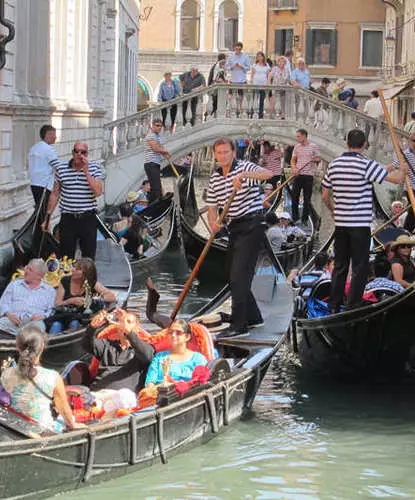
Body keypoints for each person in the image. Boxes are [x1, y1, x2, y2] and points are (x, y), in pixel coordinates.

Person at [321, 129, 408, 313]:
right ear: (364, 145)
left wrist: (333, 211)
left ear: (347, 143)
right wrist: (404, 168)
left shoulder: (334, 165)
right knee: (360, 267)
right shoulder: (366, 164)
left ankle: (333, 306)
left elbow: (325, 195)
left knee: (340, 266)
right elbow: (398, 179)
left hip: (341, 225)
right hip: (359, 226)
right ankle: (352, 306)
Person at [206, 137, 272, 337]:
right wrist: (213, 224)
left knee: (238, 276)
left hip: (252, 224)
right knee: (230, 275)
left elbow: (268, 174)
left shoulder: (243, 166)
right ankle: (253, 317)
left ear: (233, 153)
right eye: (219, 153)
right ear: (215, 155)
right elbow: (212, 206)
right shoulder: (215, 177)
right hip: (235, 227)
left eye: (226, 152)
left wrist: (244, 175)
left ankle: (239, 324)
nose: (223, 156)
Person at [0, 325, 85, 432]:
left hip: (12, 426)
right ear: (42, 346)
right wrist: (73, 424)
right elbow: (63, 410)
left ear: (17, 346)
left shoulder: (6, 373)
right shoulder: (53, 377)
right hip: (41, 430)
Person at [43, 142, 103, 260]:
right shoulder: (61, 169)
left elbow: (98, 192)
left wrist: (86, 172)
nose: (79, 154)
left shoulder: (94, 168)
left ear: (87, 154)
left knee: (89, 257)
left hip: (88, 218)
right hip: (68, 219)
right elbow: (55, 194)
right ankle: (68, 277)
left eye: (83, 152)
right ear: (72, 153)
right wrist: (47, 218)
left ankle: (87, 278)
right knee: (66, 257)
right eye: (76, 151)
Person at [83, 309, 155, 393]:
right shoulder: (107, 345)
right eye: (121, 322)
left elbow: (147, 356)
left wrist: (129, 333)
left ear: (137, 328)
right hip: (98, 392)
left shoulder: (144, 349)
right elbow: (86, 345)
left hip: (125, 397)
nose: (124, 325)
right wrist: (92, 327)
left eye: (129, 322)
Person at [49, 258, 116, 334]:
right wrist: (71, 301)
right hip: (64, 315)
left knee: (74, 323)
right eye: (74, 267)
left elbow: (111, 296)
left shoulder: (91, 283)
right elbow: (57, 303)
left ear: (85, 274)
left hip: (80, 318)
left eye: (77, 269)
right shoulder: (65, 280)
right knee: (56, 325)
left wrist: (90, 300)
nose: (73, 270)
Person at [0, 259, 56, 334]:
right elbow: (3, 303)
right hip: (12, 320)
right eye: (27, 268)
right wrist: (9, 314)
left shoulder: (50, 291)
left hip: (34, 323)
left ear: (39, 276)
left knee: (38, 329)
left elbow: (52, 311)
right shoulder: (14, 285)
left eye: (30, 270)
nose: (26, 271)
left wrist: (43, 316)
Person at [144, 319, 207, 386]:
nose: (173, 335)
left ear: (187, 337)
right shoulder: (159, 358)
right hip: (161, 393)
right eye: (171, 332)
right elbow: (150, 384)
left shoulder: (198, 359)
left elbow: (202, 383)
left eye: (178, 332)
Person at [393, 132, 415, 232]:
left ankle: (406, 232)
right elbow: (394, 165)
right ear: (410, 142)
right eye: (414, 140)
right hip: (410, 188)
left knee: (413, 213)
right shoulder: (406, 155)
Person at [291, 129, 321, 225]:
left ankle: (304, 219)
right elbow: (293, 160)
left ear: (304, 136)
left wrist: (314, 159)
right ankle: (295, 218)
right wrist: (294, 168)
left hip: (308, 175)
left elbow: (318, 158)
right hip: (298, 174)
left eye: (298, 136)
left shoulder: (313, 147)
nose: (297, 138)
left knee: (307, 199)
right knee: (294, 197)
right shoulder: (296, 147)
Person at [28, 124, 58, 208]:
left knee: (39, 210)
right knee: (41, 213)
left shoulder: (33, 148)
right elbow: (57, 166)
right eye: (54, 134)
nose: (55, 137)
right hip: (44, 184)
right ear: (48, 135)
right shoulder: (49, 150)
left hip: (34, 183)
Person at [144, 118, 170, 203]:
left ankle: (152, 204)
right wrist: (165, 151)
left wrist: (164, 153)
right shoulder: (151, 135)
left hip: (155, 164)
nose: (159, 128)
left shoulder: (157, 137)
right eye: (157, 125)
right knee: (156, 188)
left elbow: (159, 147)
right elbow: (155, 148)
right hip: (151, 163)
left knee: (156, 187)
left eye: (160, 126)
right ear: (153, 125)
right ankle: (155, 204)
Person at [251, 51, 270, 118]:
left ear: (263, 57)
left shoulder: (266, 65)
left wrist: (267, 83)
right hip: (255, 84)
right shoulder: (254, 65)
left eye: (260, 56)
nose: (259, 57)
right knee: (254, 99)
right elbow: (252, 75)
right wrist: (252, 82)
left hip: (263, 84)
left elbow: (268, 75)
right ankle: (252, 113)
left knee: (262, 100)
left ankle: (260, 114)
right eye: (258, 56)